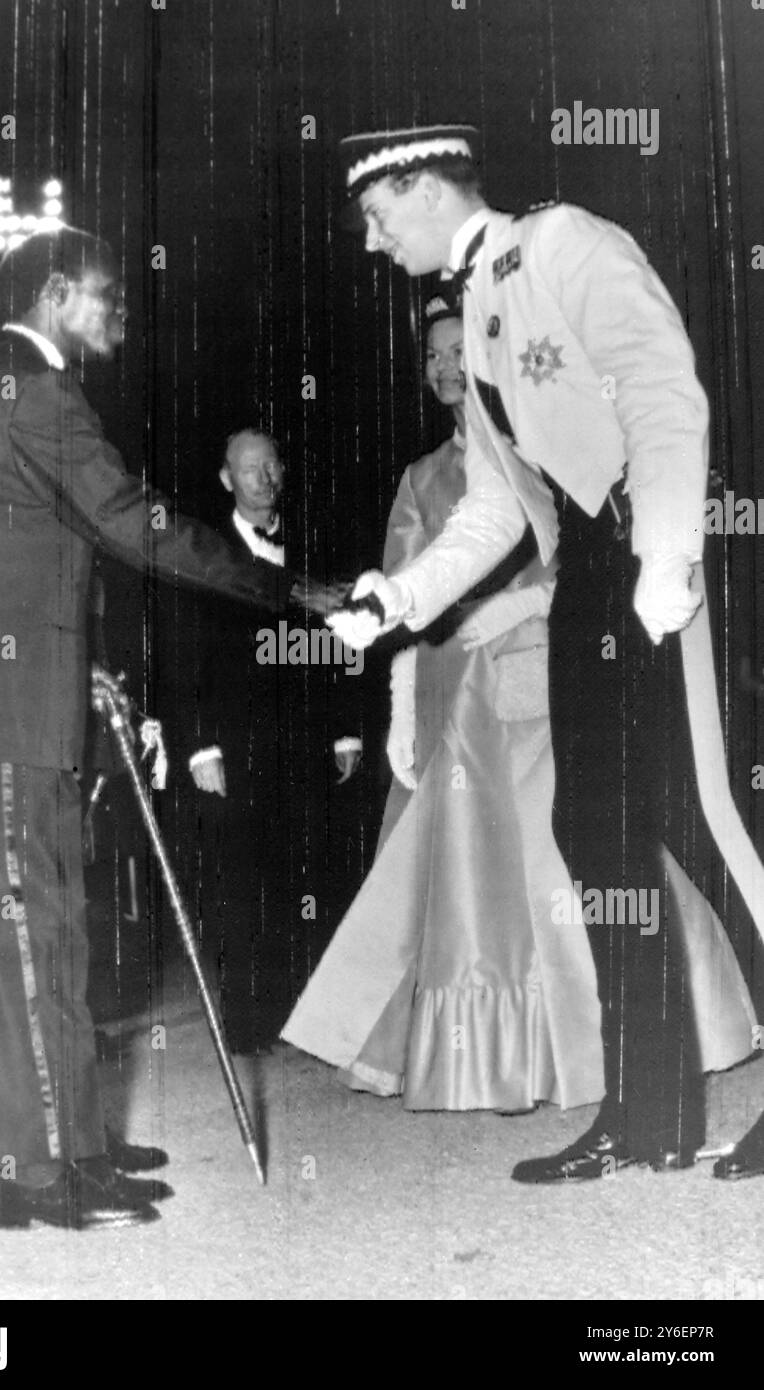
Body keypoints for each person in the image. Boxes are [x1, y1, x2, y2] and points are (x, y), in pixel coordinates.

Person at [0, 228, 332, 1229]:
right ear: (57, 290)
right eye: (108, 293)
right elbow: (131, 522)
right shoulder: (30, 390)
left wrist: (82, 665)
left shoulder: (3, 386)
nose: (121, 309)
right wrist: (285, 587)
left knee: (43, 926)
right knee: (27, 932)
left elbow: (14, 554)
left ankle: (47, 1141)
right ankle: (41, 1174)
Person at [326, 124, 761, 1181]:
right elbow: (492, 505)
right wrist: (402, 596)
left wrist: (666, 554)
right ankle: (647, 1113)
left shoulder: (563, 242)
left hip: (653, 545)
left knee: (712, 819)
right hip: (588, 574)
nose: (374, 242)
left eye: (378, 217)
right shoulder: (474, 306)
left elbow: (660, 387)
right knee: (598, 835)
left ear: (423, 188)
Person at [283, 296, 604, 1113]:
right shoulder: (420, 478)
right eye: (432, 355)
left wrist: (518, 608)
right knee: (435, 877)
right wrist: (400, 705)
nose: (444, 366)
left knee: (532, 864)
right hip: (444, 693)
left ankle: (547, 1053)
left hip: (528, 683)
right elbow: (398, 599)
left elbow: (581, 564)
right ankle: (440, 1053)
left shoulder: (537, 442)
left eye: (458, 349)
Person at [179, 427, 363, 1053]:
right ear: (227, 478)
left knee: (310, 871)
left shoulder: (312, 540)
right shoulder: (204, 551)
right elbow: (184, 650)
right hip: (235, 740)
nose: (264, 480)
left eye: (271, 467)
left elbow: (339, 639)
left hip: (306, 733)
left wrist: (344, 727)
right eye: (249, 470)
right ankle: (248, 1022)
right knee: (241, 879)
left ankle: (308, 1019)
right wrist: (201, 745)